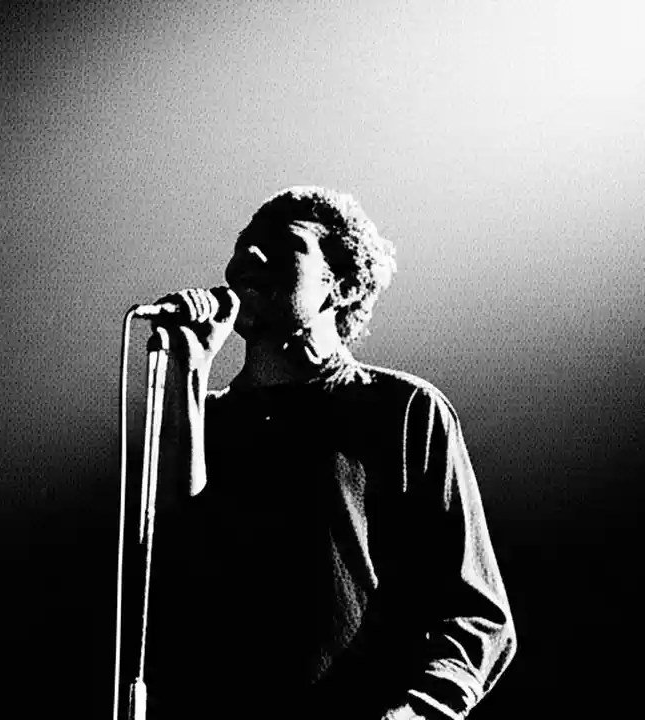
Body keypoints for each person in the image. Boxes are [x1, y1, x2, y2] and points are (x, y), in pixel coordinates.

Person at [142, 187, 515, 720]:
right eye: (243, 245)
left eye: (284, 245)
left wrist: (418, 712)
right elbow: (174, 572)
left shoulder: (402, 410)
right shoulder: (205, 419)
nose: (248, 258)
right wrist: (189, 372)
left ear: (337, 286)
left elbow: (477, 611)